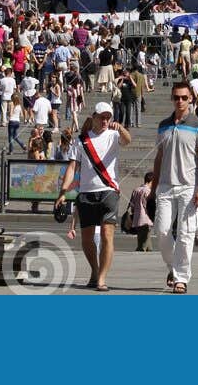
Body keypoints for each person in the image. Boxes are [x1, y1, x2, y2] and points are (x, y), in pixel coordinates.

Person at [59, 101, 129, 293]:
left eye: (108, 117)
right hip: (86, 193)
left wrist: (121, 128)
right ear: (94, 118)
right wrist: (63, 192)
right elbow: (72, 167)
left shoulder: (114, 135)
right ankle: (95, 270)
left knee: (107, 234)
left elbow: (128, 140)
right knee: (87, 238)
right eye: (102, 117)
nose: (105, 121)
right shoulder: (81, 140)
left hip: (108, 191)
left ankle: (102, 278)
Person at [150, 81, 198, 295]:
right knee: (162, 230)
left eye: (184, 97)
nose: (180, 101)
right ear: (172, 98)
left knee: (186, 233)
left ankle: (181, 278)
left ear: (191, 98)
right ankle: (173, 268)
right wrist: (153, 188)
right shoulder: (163, 125)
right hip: (165, 186)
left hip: (188, 186)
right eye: (176, 97)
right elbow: (159, 158)